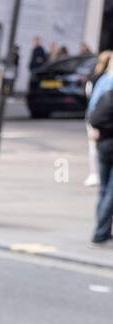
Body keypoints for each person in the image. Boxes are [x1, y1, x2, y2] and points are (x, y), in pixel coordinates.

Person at [89, 53, 113, 244]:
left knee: (104, 189)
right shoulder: (106, 84)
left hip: (103, 144)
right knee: (110, 192)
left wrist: (97, 129)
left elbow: (94, 113)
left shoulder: (106, 86)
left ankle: (102, 229)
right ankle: (100, 232)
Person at [86, 52, 112, 187]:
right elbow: (96, 102)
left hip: (98, 119)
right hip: (102, 121)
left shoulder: (100, 78)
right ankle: (94, 174)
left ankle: (94, 174)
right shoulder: (106, 80)